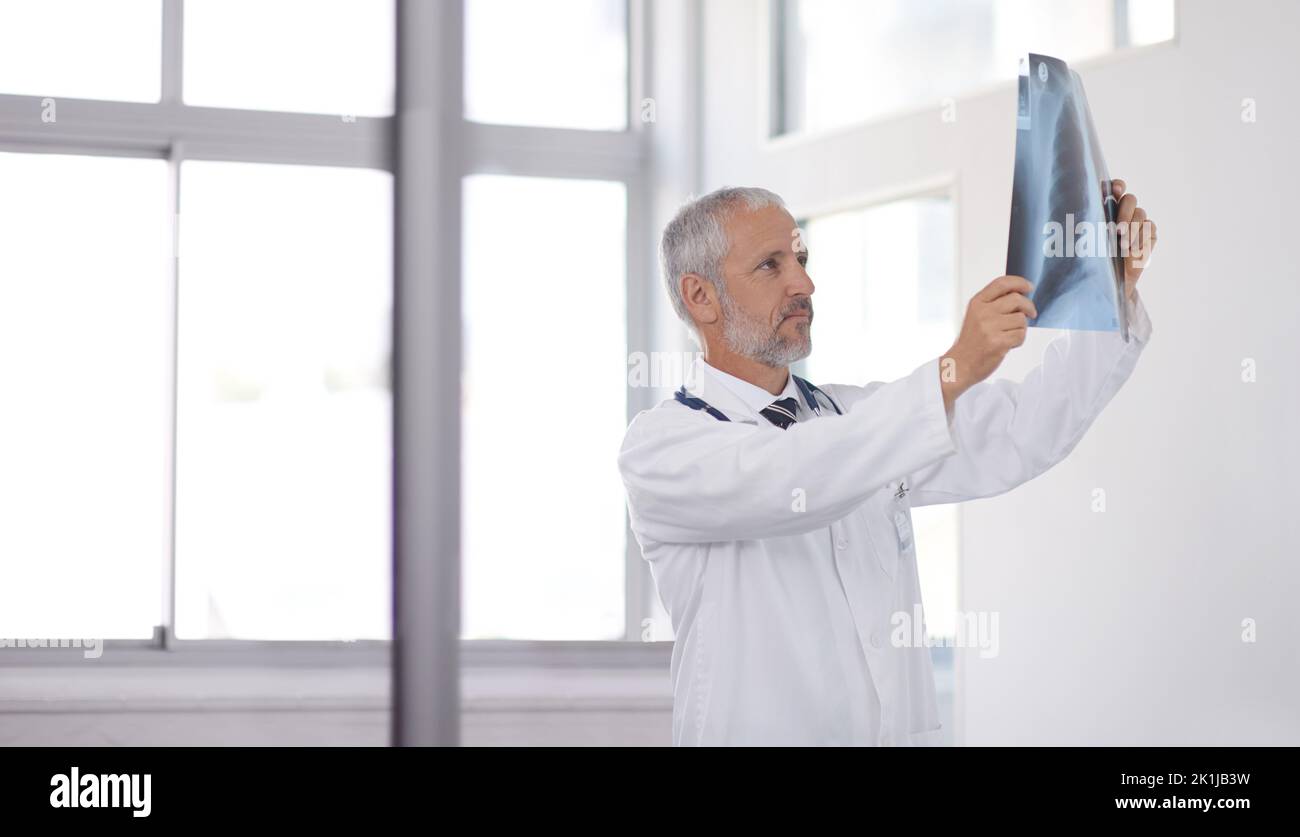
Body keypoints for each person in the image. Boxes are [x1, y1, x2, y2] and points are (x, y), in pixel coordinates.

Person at [617, 183, 1156, 746]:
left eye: (801, 258)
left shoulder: (854, 415)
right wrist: (951, 371)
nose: (804, 282)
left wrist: (1112, 291)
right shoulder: (663, 449)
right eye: (770, 265)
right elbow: (793, 476)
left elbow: (1025, 430)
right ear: (701, 296)